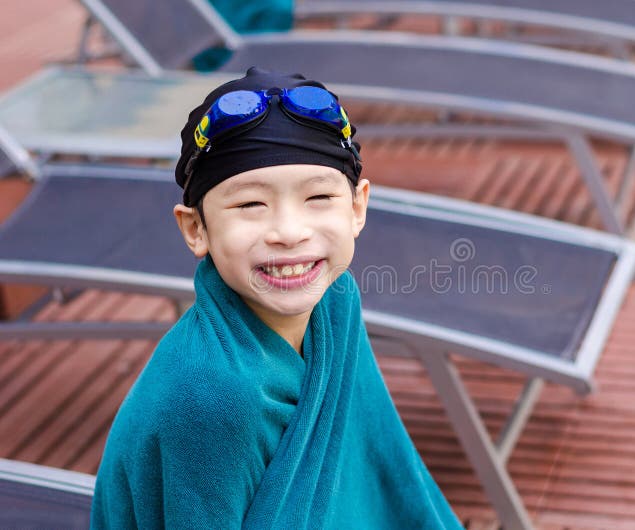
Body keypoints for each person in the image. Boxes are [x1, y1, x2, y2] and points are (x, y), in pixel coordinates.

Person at [90, 67, 463, 529]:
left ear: (357, 207)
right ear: (196, 228)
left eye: (318, 197)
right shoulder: (212, 398)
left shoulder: (335, 303)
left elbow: (382, 467)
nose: (289, 232)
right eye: (250, 204)